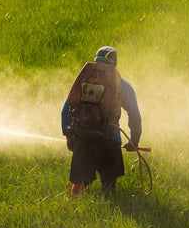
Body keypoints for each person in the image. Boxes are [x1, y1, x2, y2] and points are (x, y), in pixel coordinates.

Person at [61, 46, 142, 196]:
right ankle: (110, 207)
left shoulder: (83, 82)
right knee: (109, 187)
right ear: (115, 63)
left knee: (78, 184)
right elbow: (134, 115)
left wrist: (69, 136)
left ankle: (74, 204)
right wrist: (134, 140)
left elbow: (66, 110)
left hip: (83, 137)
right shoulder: (122, 86)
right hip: (110, 140)